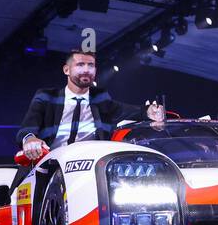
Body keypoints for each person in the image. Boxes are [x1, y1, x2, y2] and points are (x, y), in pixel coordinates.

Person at [18, 49, 166, 164]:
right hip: (49, 165)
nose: (86, 70)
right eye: (80, 65)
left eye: (91, 65)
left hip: (88, 168)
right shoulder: (47, 96)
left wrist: (149, 112)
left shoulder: (100, 99)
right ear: (66, 70)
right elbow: (27, 128)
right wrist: (30, 139)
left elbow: (129, 111)